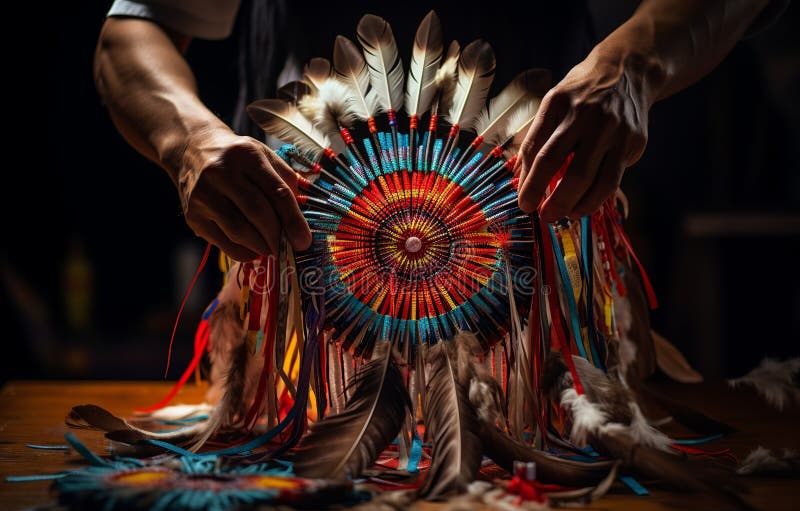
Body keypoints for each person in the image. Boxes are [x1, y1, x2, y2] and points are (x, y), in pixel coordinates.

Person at [95, 0, 785, 262]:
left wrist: (632, 62)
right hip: (299, 312)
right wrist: (192, 140)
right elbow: (134, 27)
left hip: (538, 312)